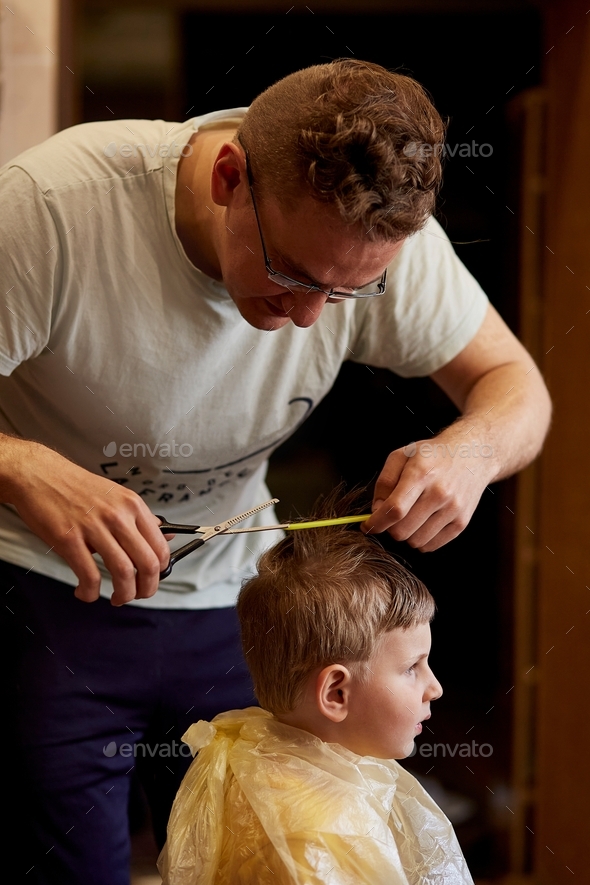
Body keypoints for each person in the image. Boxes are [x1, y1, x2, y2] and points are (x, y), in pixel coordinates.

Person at [0, 59, 550, 883]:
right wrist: (22, 465)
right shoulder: (48, 210)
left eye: (344, 296)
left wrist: (469, 450)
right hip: (44, 592)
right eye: (292, 275)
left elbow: (519, 391)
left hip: (234, 600)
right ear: (229, 178)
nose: (304, 318)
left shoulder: (379, 241)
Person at [159, 492, 473, 884]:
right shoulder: (313, 842)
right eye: (412, 668)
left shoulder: (257, 769)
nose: (435, 687)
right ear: (336, 693)